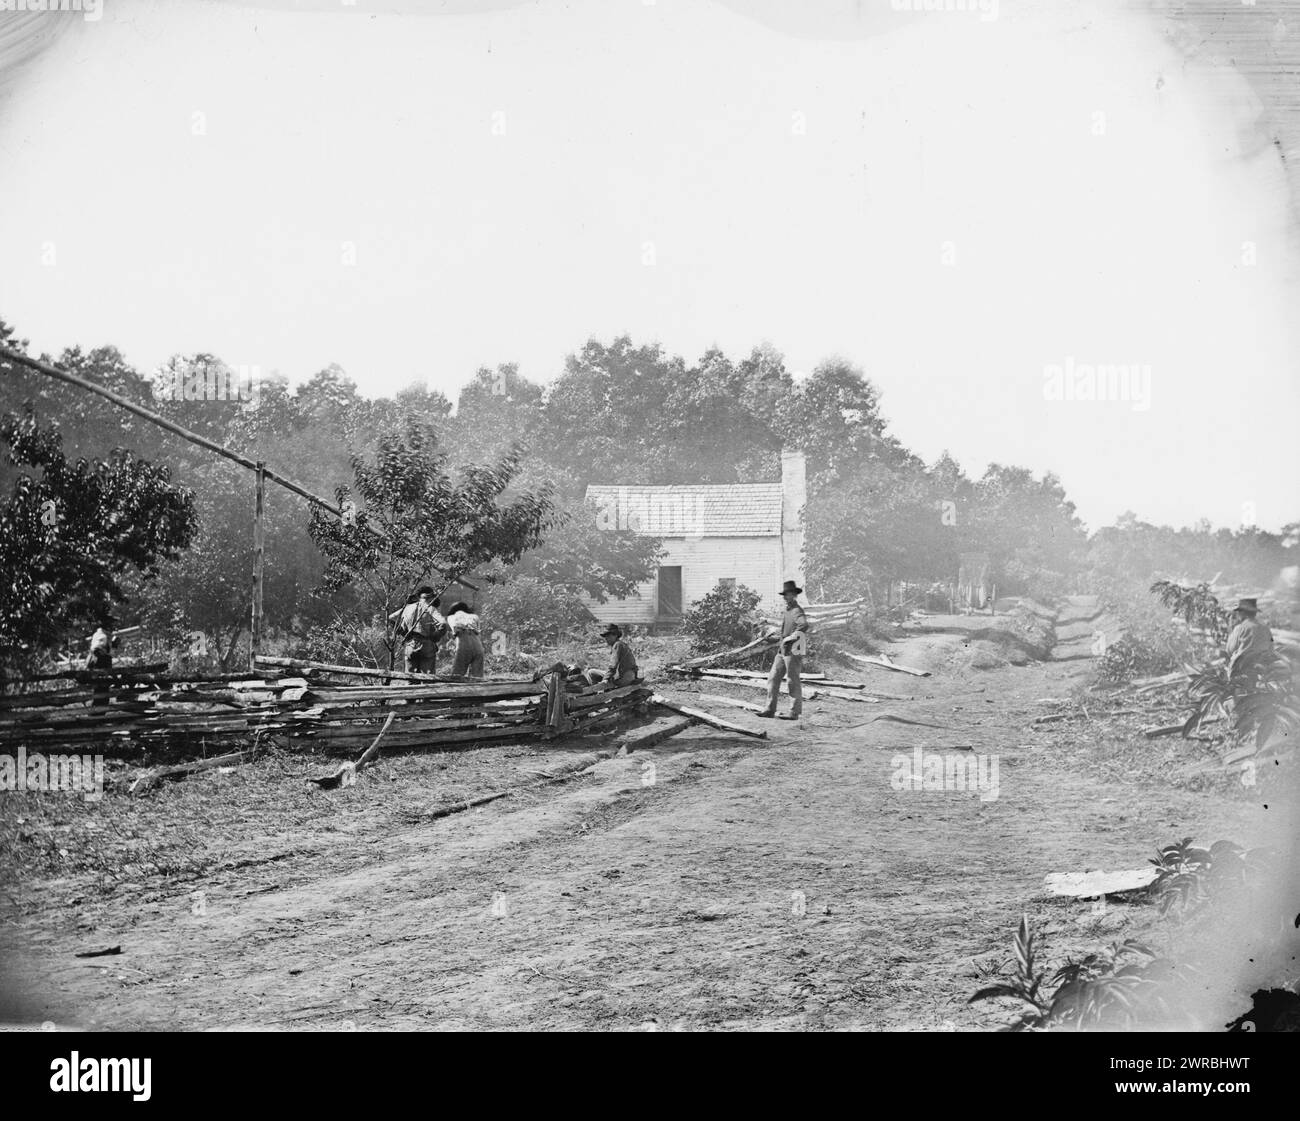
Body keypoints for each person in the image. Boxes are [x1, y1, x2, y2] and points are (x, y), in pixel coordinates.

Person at [757, 580, 809, 721]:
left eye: (790, 594)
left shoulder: (797, 610)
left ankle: (794, 713)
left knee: (792, 680)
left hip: (794, 649)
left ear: (794, 595)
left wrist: (791, 637)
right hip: (783, 649)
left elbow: (803, 625)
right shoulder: (787, 610)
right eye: (785, 595)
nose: (787, 597)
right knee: (773, 678)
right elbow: (785, 628)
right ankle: (769, 709)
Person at [387, 587, 447, 675]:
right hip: (426, 645)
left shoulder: (407, 608)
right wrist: (434, 637)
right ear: (431, 598)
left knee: (410, 677)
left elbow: (389, 618)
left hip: (410, 645)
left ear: (419, 597)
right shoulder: (431, 609)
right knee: (428, 677)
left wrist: (403, 633)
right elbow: (443, 623)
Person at [1225, 597, 1275, 680]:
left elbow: (1230, 649)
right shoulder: (1265, 628)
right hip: (1263, 669)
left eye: (1239, 611)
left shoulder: (1240, 628)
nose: (1238, 614)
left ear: (1243, 613)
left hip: (1242, 670)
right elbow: (1271, 646)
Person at [445, 601, 485, 679]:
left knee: (458, 674)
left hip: (463, 644)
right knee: (477, 676)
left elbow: (456, 629)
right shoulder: (474, 616)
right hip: (478, 644)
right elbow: (478, 632)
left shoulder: (451, 617)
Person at [86, 615, 118, 708]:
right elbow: (100, 651)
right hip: (101, 669)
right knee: (102, 695)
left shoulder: (97, 635)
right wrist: (114, 647)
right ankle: (96, 715)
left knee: (100, 694)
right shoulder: (102, 636)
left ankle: (97, 715)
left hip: (99, 669)